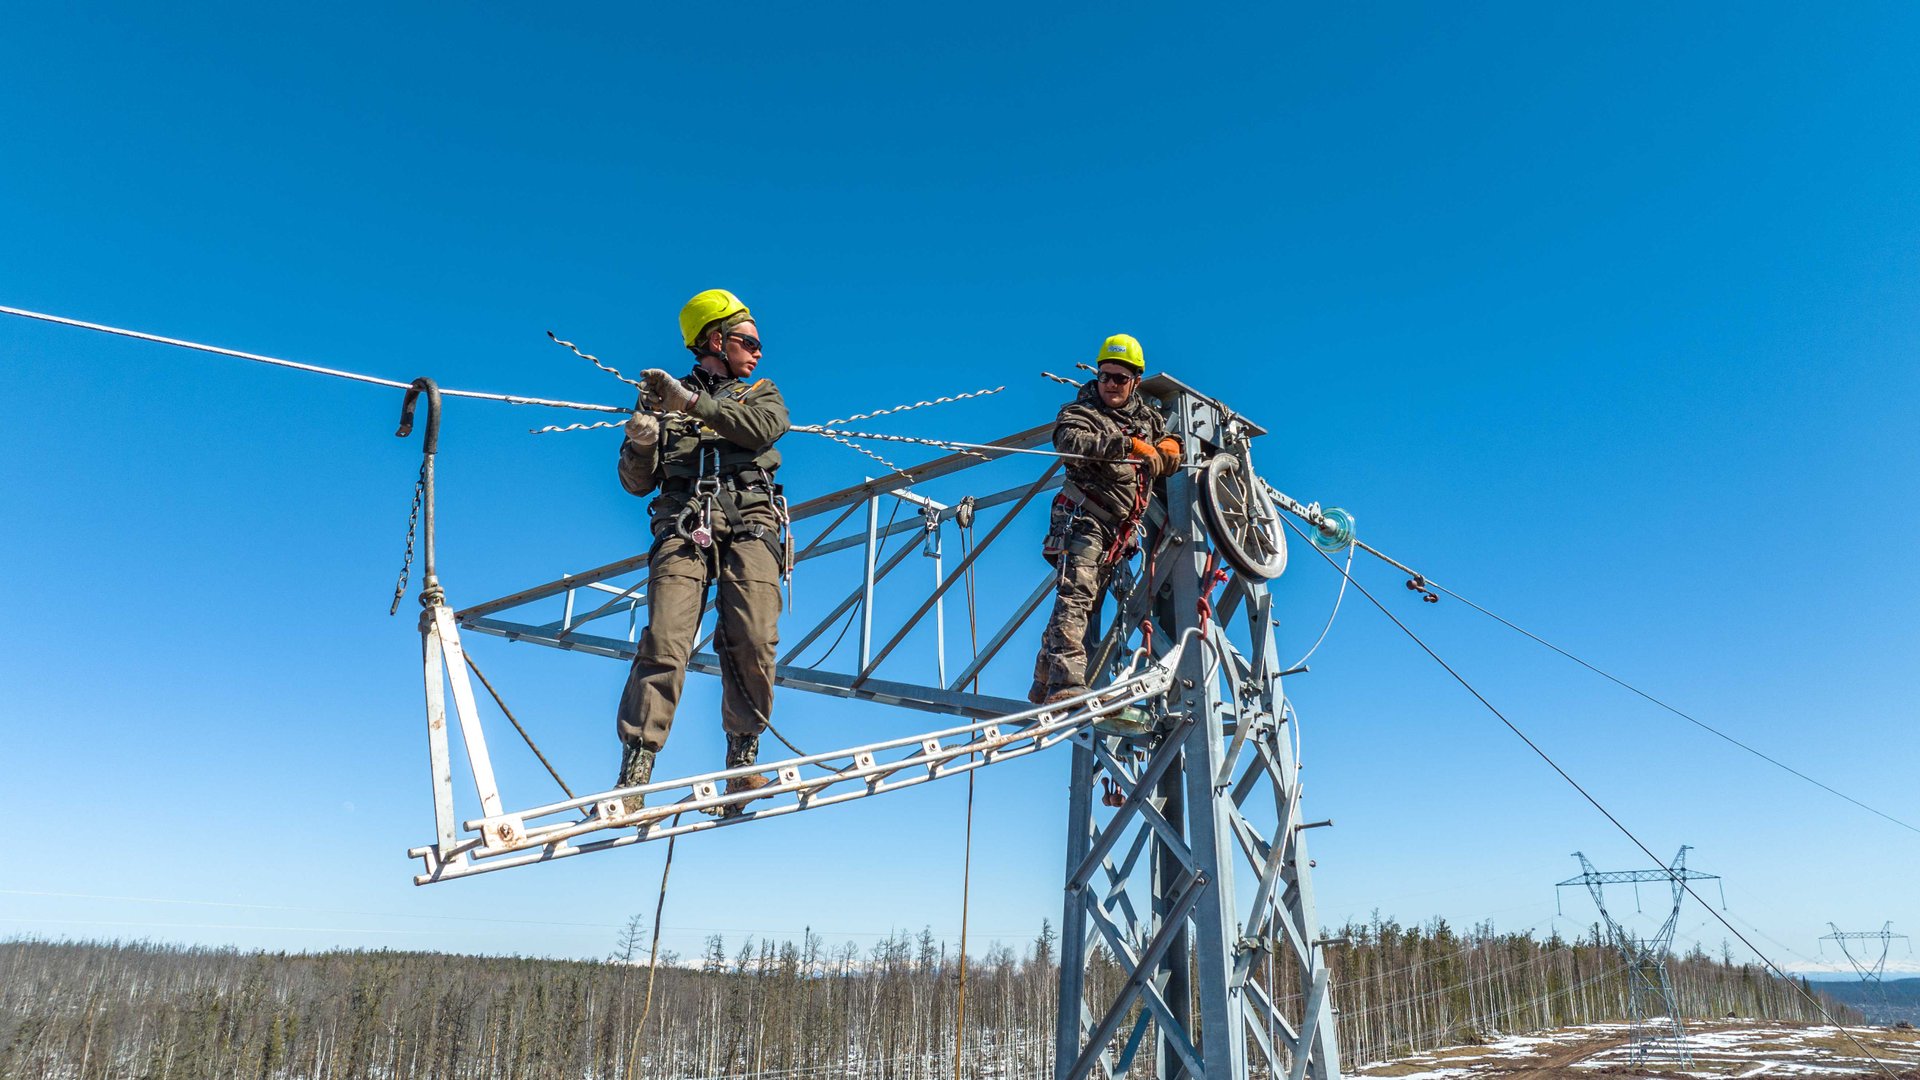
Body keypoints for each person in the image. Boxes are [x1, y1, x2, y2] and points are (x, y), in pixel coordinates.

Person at [611, 288, 790, 814]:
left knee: (752, 639)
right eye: (747, 341)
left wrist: (687, 404)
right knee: (666, 641)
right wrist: (643, 440)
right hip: (684, 524)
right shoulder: (662, 403)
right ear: (715, 340)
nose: (757, 351)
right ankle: (635, 771)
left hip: (750, 525)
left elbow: (760, 428)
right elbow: (634, 482)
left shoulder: (760, 391)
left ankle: (743, 766)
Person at [1029, 334, 1183, 706]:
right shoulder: (1081, 412)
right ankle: (1065, 682)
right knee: (1077, 596)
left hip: (1118, 529)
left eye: (1119, 378)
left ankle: (1044, 677)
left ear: (1135, 381)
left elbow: (1164, 440)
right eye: (1105, 377)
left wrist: (1171, 445)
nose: (1110, 385)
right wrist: (1128, 446)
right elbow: (1070, 443)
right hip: (1084, 515)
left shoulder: (1145, 417)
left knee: (1086, 599)